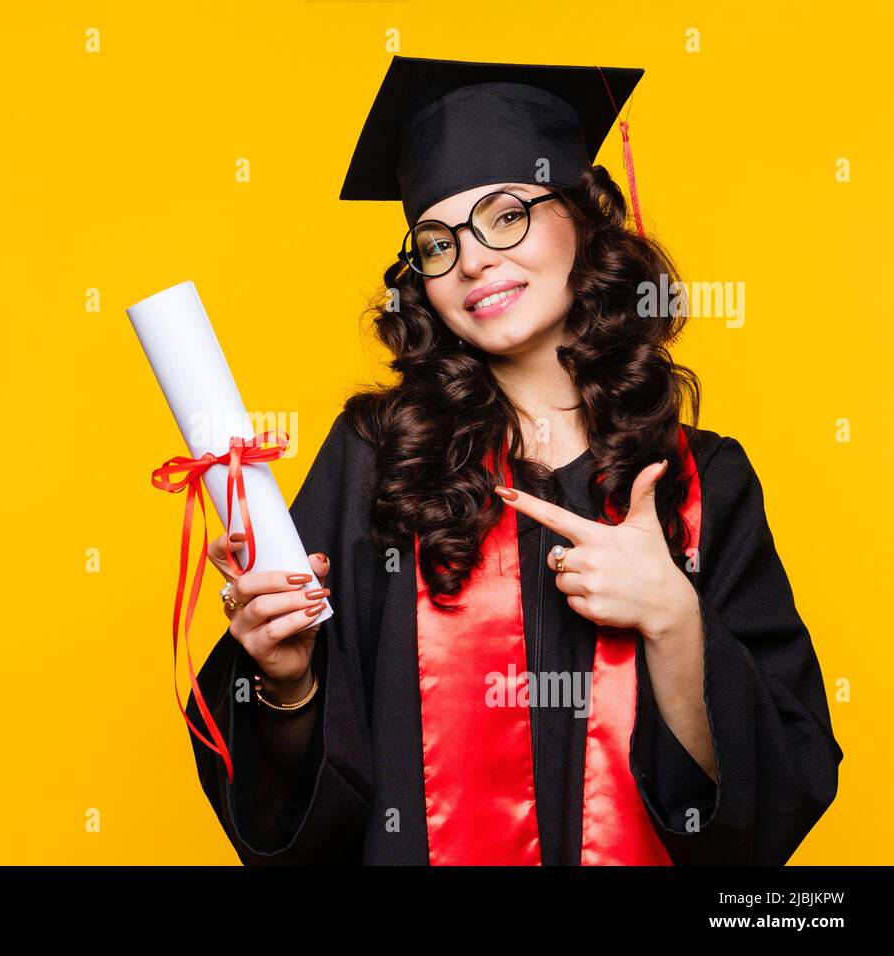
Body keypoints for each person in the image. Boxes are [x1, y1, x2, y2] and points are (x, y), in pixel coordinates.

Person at [183, 55, 843, 865]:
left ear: (585, 217)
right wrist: (287, 682)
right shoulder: (376, 464)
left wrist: (674, 619)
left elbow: (775, 796)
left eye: (505, 216)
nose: (472, 261)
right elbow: (302, 804)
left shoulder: (703, 482)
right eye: (437, 242)